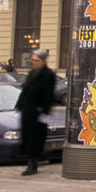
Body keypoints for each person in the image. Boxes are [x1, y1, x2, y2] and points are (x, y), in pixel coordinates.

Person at [15, 48, 56, 176]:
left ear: (43, 61)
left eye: (36, 60)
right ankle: (30, 160)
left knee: (36, 137)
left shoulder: (48, 74)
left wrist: (46, 111)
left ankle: (33, 163)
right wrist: (18, 105)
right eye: (33, 60)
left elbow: (49, 94)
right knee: (27, 136)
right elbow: (25, 90)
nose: (34, 62)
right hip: (28, 109)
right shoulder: (32, 72)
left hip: (39, 111)